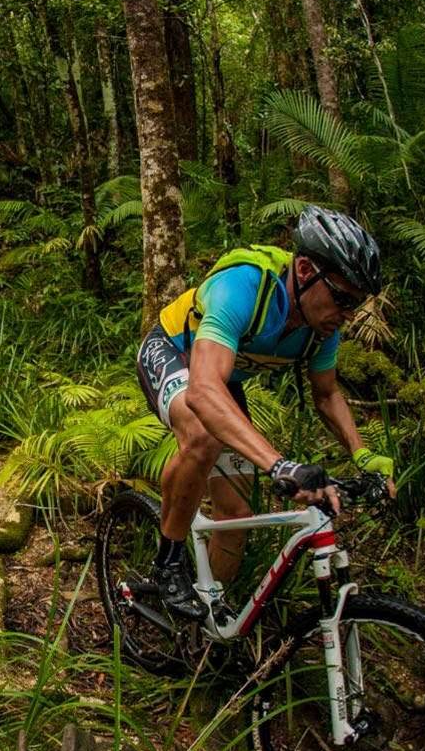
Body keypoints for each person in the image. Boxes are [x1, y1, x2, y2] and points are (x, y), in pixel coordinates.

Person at [135, 205, 396, 620]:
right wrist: (280, 465)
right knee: (202, 436)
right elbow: (203, 391)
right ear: (307, 271)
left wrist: (363, 455)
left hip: (221, 375)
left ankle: (205, 621)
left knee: (236, 517)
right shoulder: (243, 286)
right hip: (173, 352)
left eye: (356, 305)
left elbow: (327, 395)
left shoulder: (320, 328)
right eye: (342, 299)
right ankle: (167, 560)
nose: (347, 316)